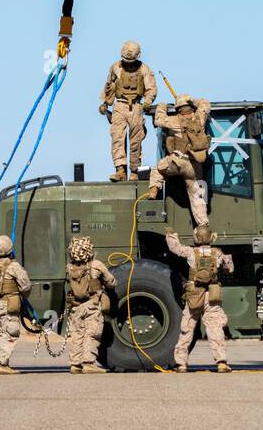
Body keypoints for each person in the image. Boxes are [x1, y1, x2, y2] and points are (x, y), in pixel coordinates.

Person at [165, 224, 234, 372]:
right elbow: (230, 268)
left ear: (196, 237)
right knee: (215, 328)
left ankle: (181, 363)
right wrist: (227, 260)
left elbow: (175, 248)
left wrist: (171, 234)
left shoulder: (190, 252)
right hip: (212, 294)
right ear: (211, 237)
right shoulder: (217, 253)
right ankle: (221, 362)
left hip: (194, 294)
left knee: (187, 327)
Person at [146, 93, 211, 225]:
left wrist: (162, 105)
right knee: (197, 196)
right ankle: (203, 225)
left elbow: (158, 119)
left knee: (158, 169)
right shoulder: (200, 118)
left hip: (178, 162)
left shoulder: (174, 121)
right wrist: (193, 100)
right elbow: (205, 103)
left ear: (178, 109)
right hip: (195, 166)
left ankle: (154, 189)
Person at [99, 41, 157, 182]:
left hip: (137, 106)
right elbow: (110, 86)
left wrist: (148, 102)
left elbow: (151, 88)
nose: (129, 64)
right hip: (120, 106)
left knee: (136, 140)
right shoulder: (116, 67)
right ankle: (120, 170)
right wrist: (106, 102)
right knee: (117, 137)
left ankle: (135, 171)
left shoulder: (144, 69)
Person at [65, 236, 117, 374]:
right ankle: (88, 363)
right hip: (92, 305)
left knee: (77, 335)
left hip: (76, 307)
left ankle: (75, 364)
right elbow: (112, 282)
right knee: (92, 334)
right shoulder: (96, 265)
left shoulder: (69, 267)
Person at [0, 234, 32, 375]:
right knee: (11, 332)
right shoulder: (14, 266)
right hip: (9, 305)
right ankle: (2, 364)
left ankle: (1, 362)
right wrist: (23, 297)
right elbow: (26, 286)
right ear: (10, 250)